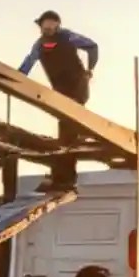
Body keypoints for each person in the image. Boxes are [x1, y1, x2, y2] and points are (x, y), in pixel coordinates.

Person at [18, 10, 98, 190]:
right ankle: (62, 176)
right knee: (65, 132)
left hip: (77, 87)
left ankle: (64, 177)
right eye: (44, 28)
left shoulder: (68, 37)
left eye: (50, 28)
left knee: (70, 131)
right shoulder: (39, 45)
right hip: (60, 91)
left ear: (57, 26)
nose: (47, 31)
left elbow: (92, 46)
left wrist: (90, 69)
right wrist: (17, 78)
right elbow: (28, 63)